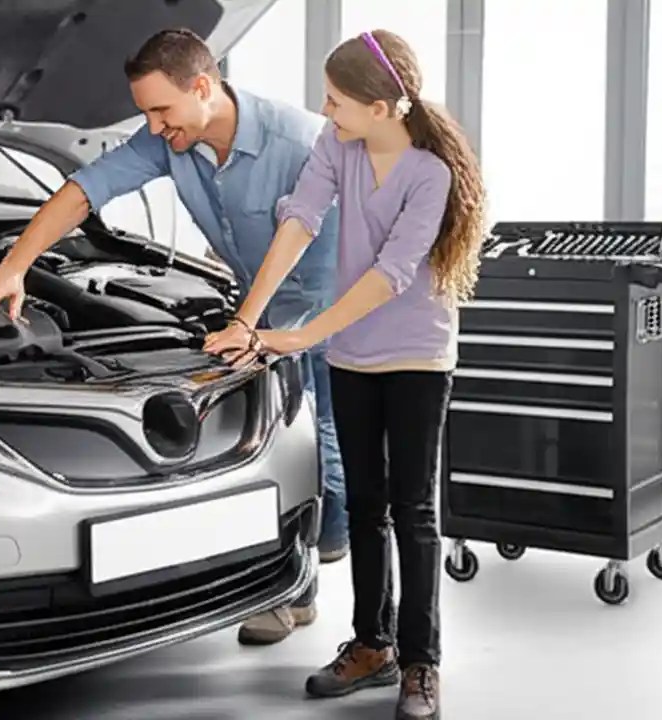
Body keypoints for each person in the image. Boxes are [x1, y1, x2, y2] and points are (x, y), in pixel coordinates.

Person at [0, 29, 347, 645]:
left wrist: (258, 326)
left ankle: (323, 567)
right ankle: (293, 589)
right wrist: (14, 265)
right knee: (290, 443)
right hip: (260, 308)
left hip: (337, 308)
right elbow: (85, 190)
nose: (153, 125)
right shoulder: (172, 140)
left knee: (324, 442)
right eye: (146, 112)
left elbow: (338, 253)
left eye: (160, 110)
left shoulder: (302, 143)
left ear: (202, 87)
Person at [203, 29, 486, 720]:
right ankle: (371, 645)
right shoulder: (339, 148)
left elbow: (391, 275)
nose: (326, 112)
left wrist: (297, 335)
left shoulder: (430, 174)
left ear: (382, 106)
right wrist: (250, 317)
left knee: (413, 511)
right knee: (363, 505)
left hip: (417, 355)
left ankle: (421, 664)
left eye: (336, 101)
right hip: (351, 352)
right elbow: (300, 220)